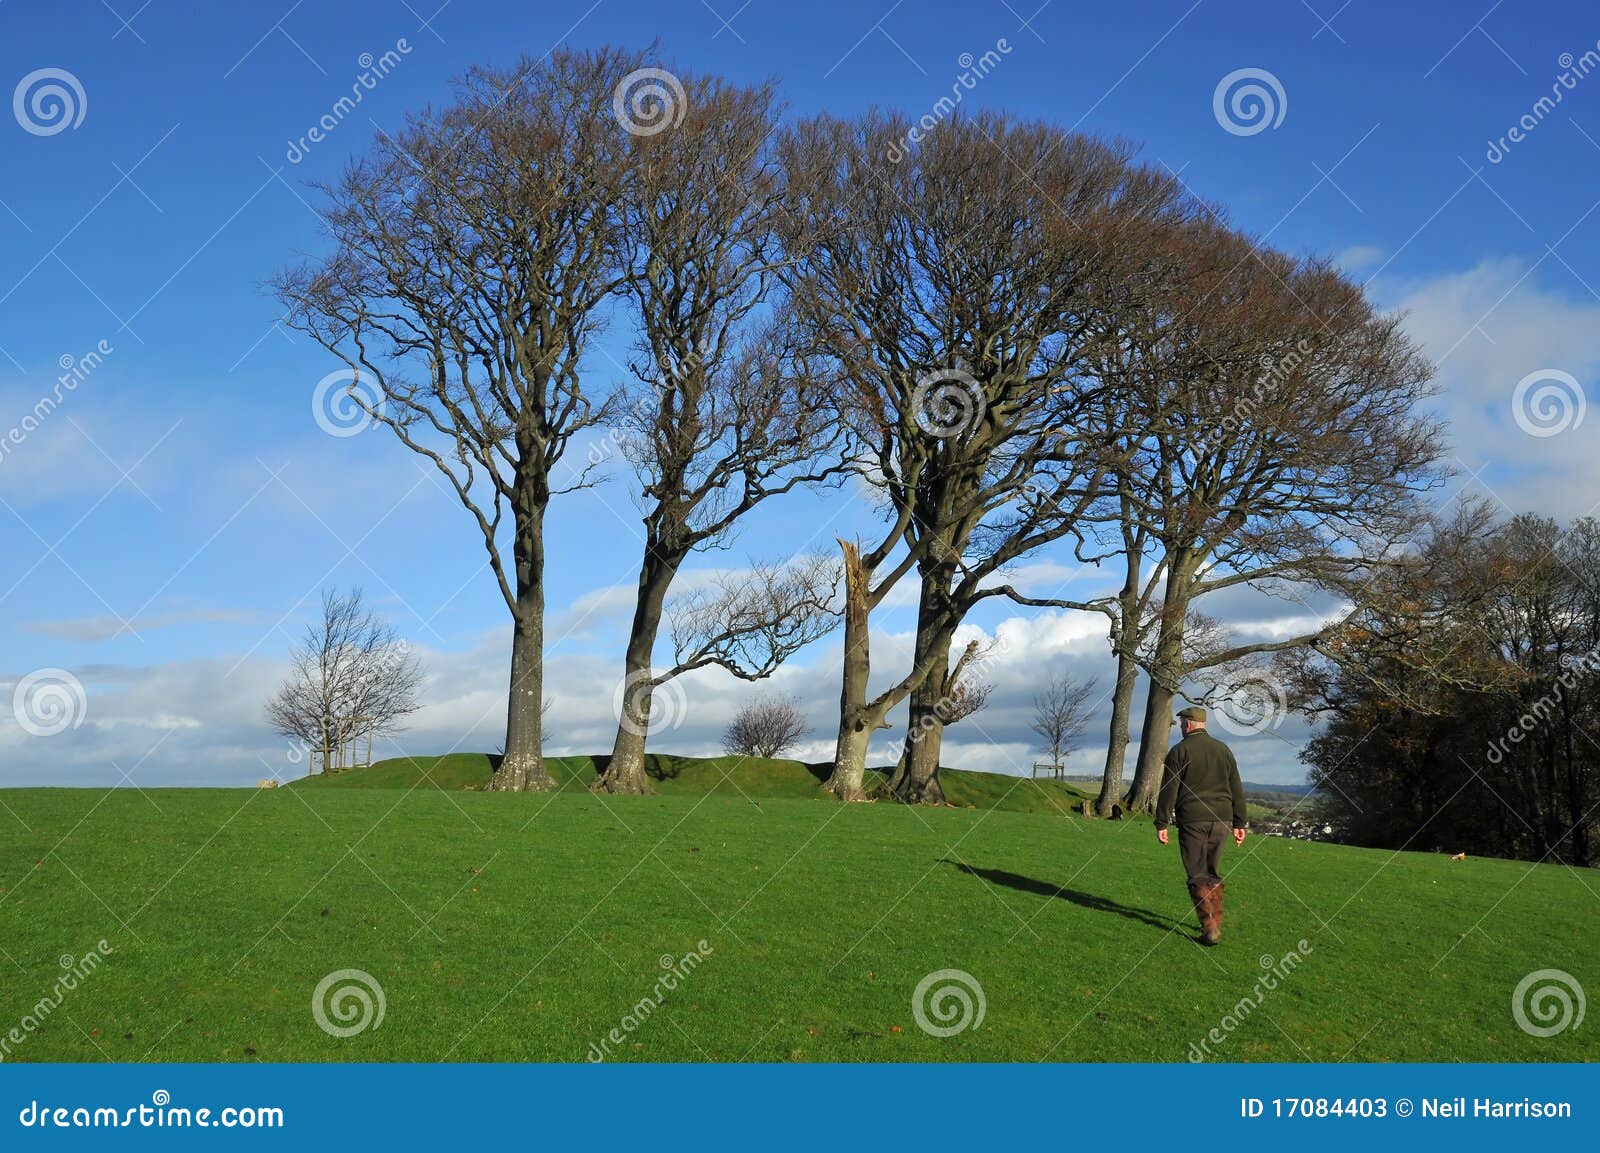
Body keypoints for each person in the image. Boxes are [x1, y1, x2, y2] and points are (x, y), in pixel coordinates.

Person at [1154, 706, 1246, 946]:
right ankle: (1215, 923)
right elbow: (1236, 786)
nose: (1182, 727)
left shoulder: (1179, 751)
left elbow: (1169, 789)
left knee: (1196, 874)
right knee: (1212, 872)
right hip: (1222, 818)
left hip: (1193, 818)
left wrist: (1161, 822)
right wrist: (1240, 822)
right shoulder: (1223, 750)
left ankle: (1210, 928)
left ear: (1189, 724)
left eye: (1182, 723)